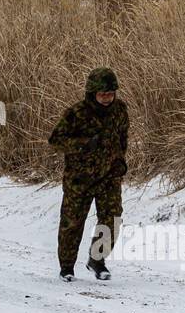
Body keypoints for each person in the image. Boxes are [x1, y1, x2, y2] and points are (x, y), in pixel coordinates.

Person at [48, 66, 129, 282]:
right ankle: (66, 267)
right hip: (79, 179)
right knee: (72, 224)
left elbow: (122, 138)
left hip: (109, 177)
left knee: (112, 219)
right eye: (102, 94)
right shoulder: (76, 113)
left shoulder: (120, 110)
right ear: (92, 92)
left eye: (110, 94)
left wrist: (120, 160)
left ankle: (97, 260)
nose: (106, 98)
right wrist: (83, 144)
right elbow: (55, 140)